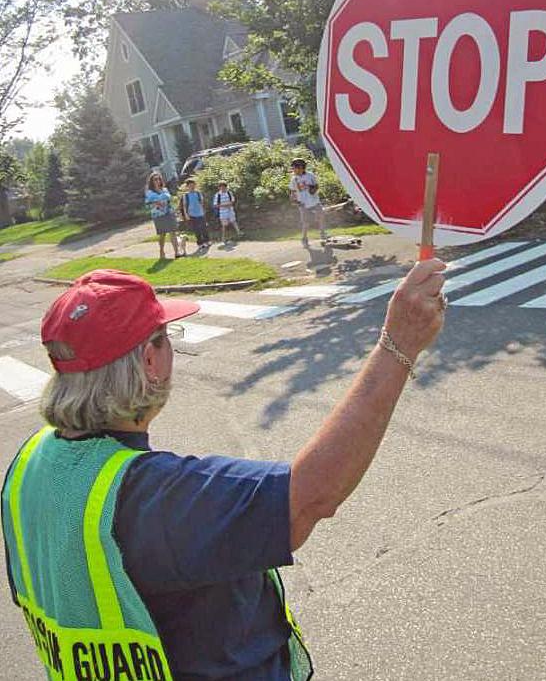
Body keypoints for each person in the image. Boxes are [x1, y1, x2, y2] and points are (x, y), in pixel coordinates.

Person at [1, 260, 446, 681]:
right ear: (150, 362)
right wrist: (398, 346)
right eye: (166, 335)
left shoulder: (31, 462)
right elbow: (311, 496)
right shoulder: (150, 495)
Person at [145, 171, 183, 260]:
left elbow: (169, 199)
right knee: (162, 235)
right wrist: (156, 202)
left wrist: (174, 209)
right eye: (155, 179)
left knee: (172, 232)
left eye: (159, 179)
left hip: (169, 213)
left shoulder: (164, 189)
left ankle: (177, 252)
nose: (157, 181)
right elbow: (147, 205)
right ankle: (161, 251)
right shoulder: (149, 192)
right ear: (152, 181)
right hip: (158, 215)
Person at [289, 159, 327, 247]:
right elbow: (292, 191)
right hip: (303, 203)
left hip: (314, 201)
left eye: (294, 168)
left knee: (321, 216)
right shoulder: (294, 179)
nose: (293, 170)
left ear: (301, 167)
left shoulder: (310, 175)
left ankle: (322, 233)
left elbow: (316, 186)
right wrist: (293, 200)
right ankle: (304, 238)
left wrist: (312, 189)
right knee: (305, 222)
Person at [180, 179, 210, 252]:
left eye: (193, 185)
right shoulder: (185, 195)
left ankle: (207, 241)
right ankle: (200, 243)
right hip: (192, 214)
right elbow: (184, 206)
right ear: (187, 187)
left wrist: (203, 211)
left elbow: (202, 203)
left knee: (203, 228)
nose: (192, 187)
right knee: (196, 229)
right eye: (190, 186)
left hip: (200, 213)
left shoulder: (198, 193)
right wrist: (186, 215)